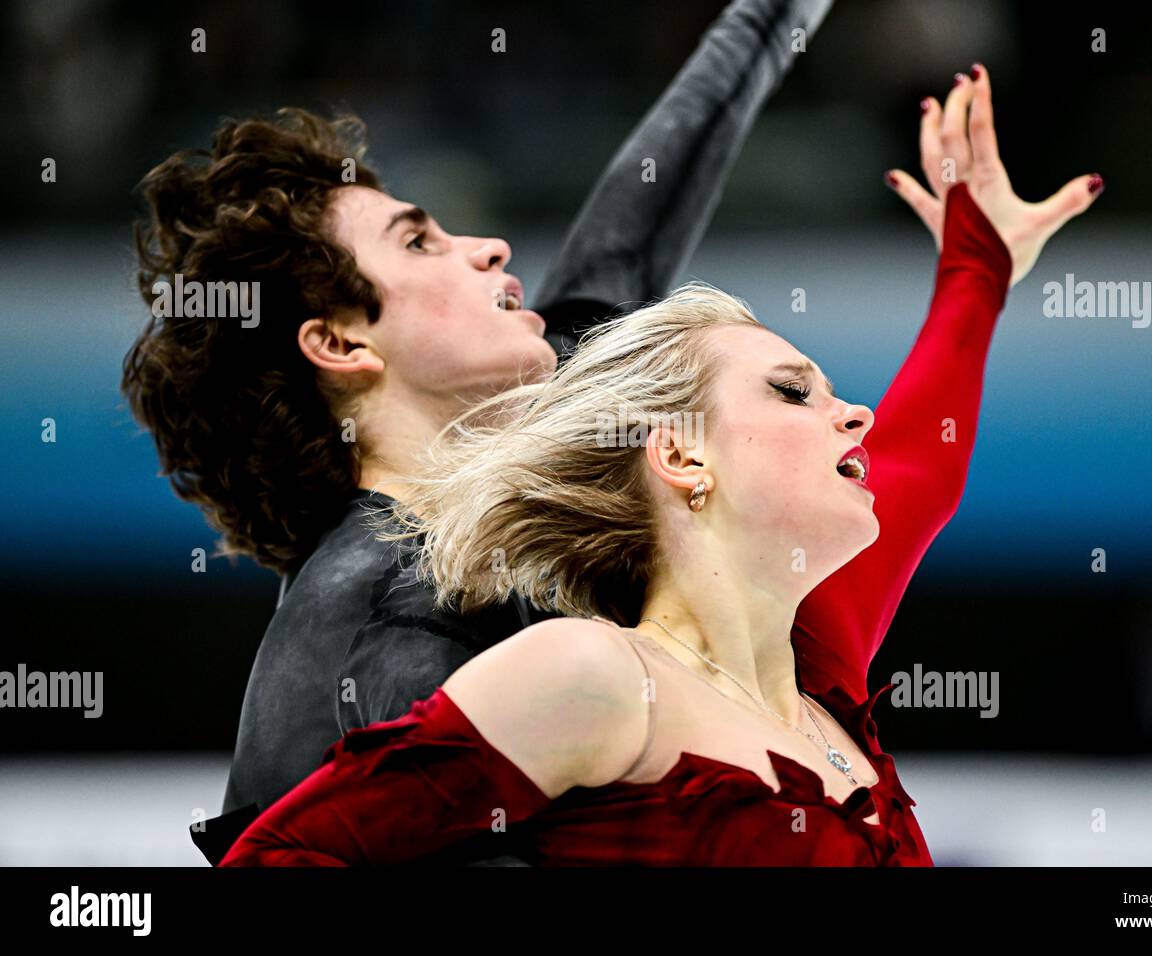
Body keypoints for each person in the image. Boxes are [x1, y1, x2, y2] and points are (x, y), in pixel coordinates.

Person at [220, 64, 1103, 866]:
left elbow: (915, 469)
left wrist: (976, 268)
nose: (856, 416)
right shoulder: (593, 678)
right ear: (680, 452)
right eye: (793, 392)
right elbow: (280, 857)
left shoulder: (820, 687)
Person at [120, 0, 842, 862]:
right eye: (420, 244)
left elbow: (645, 214)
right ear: (342, 342)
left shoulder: (549, 434)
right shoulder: (372, 614)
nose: (490, 247)